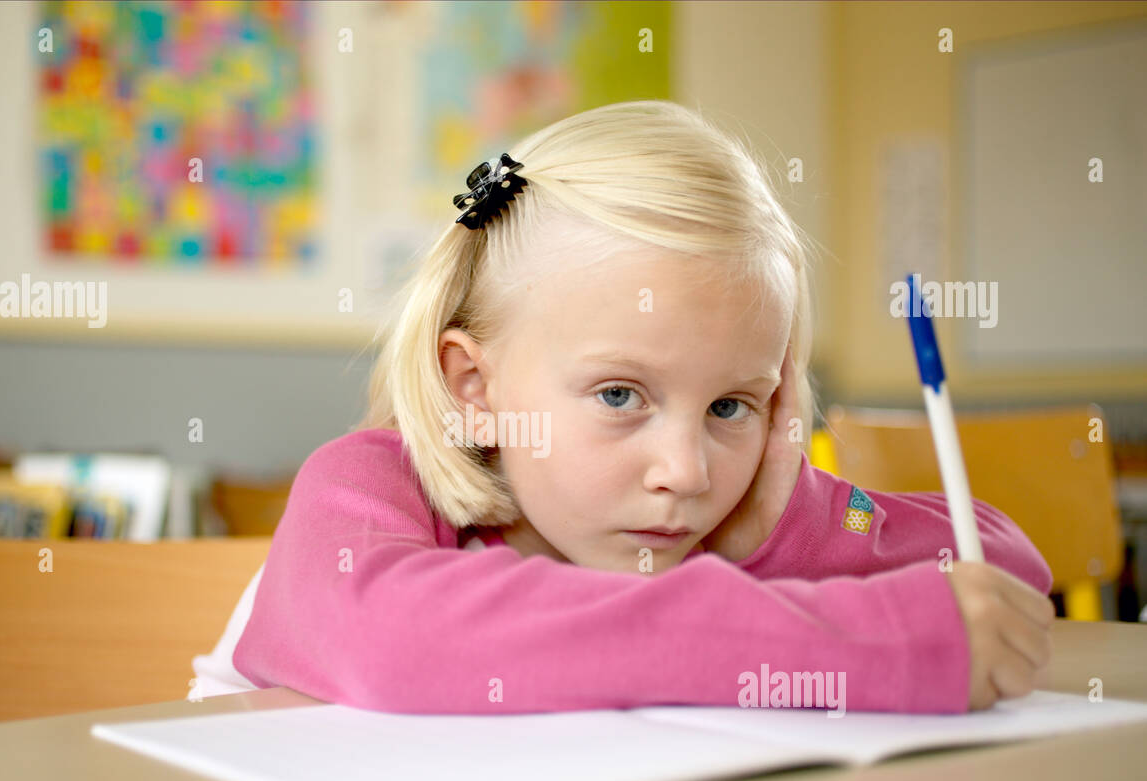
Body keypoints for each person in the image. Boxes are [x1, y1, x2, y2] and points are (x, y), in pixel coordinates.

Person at [192, 100, 1054, 714]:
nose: (684, 471)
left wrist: (789, 524)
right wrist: (865, 644)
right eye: (619, 395)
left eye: (729, 405)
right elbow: (397, 642)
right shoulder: (368, 486)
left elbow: (1003, 572)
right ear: (475, 389)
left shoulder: (729, 515)